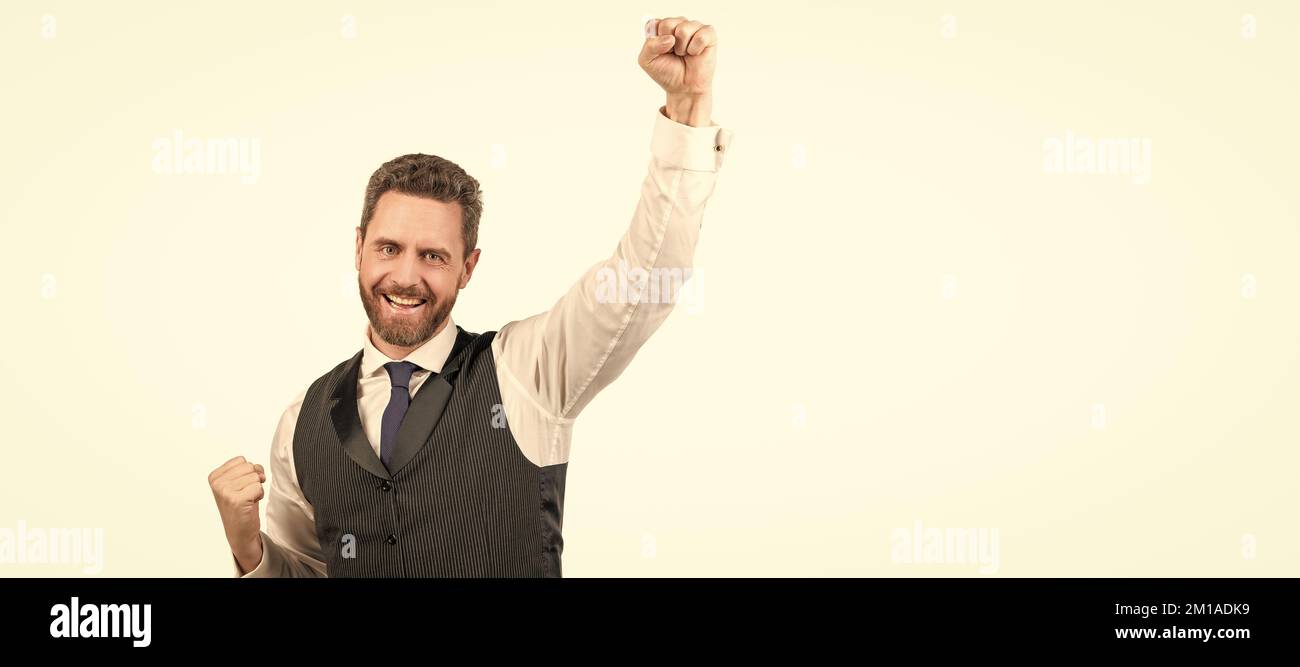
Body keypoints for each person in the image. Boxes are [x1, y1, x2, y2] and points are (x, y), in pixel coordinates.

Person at [207, 16, 733, 577]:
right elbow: (311, 572)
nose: (405, 276)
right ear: (359, 249)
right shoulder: (303, 421)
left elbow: (641, 281)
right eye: (389, 248)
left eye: (433, 256)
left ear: (468, 267)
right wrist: (251, 552)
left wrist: (687, 108)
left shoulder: (528, 374)